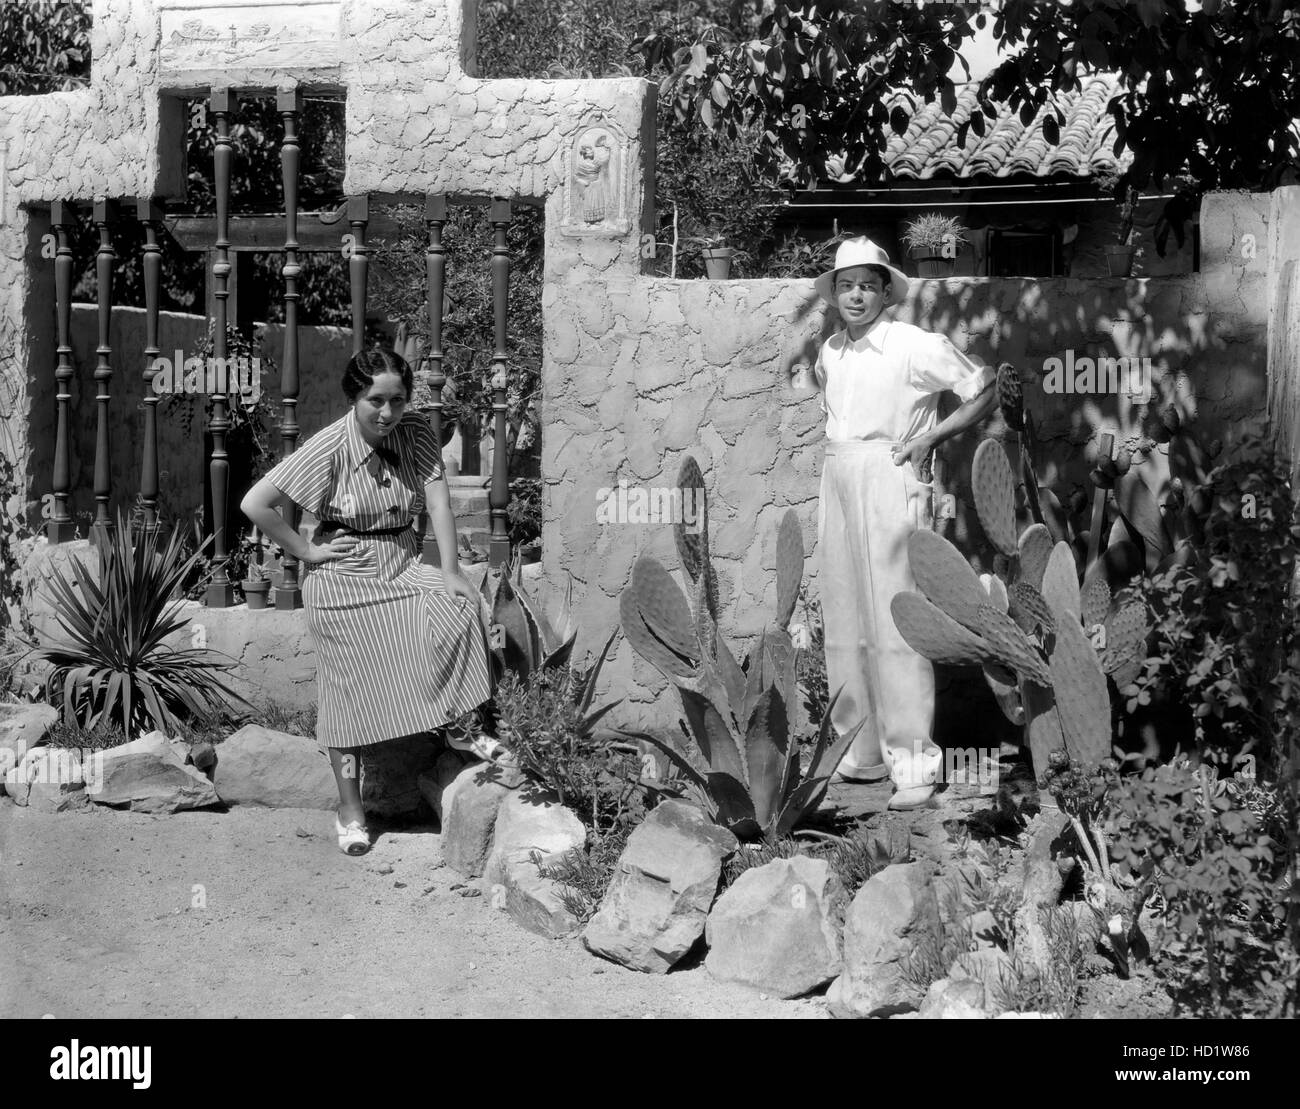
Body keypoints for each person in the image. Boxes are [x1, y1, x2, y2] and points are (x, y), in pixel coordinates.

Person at [241, 349, 494, 855]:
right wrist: (306, 550)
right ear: (354, 397)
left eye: (396, 400)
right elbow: (254, 503)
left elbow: (439, 500)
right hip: (343, 577)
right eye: (374, 400)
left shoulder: (417, 432)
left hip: (400, 564)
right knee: (346, 688)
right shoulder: (330, 446)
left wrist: (448, 570)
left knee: (458, 608)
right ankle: (350, 808)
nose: (386, 412)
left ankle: (461, 727)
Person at [805, 237, 996, 809]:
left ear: (886, 290)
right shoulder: (831, 351)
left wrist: (932, 437)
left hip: (892, 472)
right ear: (834, 294)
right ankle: (857, 754)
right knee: (842, 615)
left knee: (896, 617)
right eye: (846, 285)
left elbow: (983, 387)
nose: (856, 294)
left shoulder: (913, 344)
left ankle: (914, 765)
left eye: (868, 284)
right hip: (838, 474)